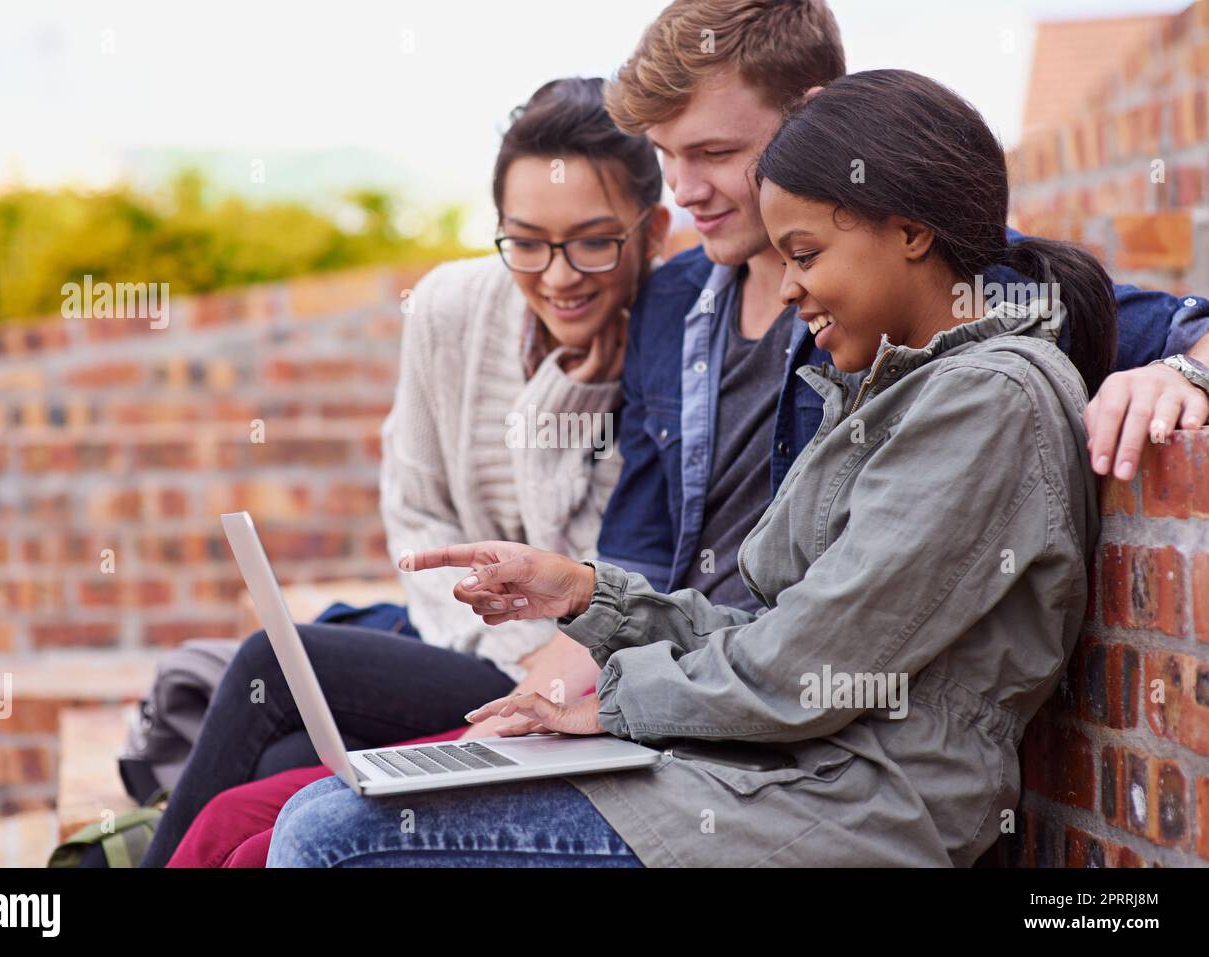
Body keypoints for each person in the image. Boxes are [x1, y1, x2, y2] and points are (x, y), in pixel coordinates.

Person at [266, 68, 1118, 868]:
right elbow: (772, 639)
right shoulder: (891, 391)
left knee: (335, 835)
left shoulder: (987, 401)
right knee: (328, 806)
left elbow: (802, 670)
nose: (786, 288)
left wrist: (607, 702)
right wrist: (584, 596)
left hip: (845, 811)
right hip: (758, 776)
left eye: (806, 253)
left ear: (912, 231)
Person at [137, 77, 669, 867]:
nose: (559, 275)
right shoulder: (452, 307)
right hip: (479, 648)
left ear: (651, 229)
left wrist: (572, 393)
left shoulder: (674, 345)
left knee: (270, 678)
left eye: (594, 241)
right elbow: (416, 519)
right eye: (526, 241)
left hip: (574, 685)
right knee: (281, 750)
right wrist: (518, 651)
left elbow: (599, 570)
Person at [593, 0, 1209, 605]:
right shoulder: (670, 298)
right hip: (668, 659)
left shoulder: (953, 281)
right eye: (664, 154)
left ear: (809, 114)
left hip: (792, 677)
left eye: (714, 153)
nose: (684, 190)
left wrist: (1181, 371)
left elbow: (1188, 332)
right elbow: (636, 564)